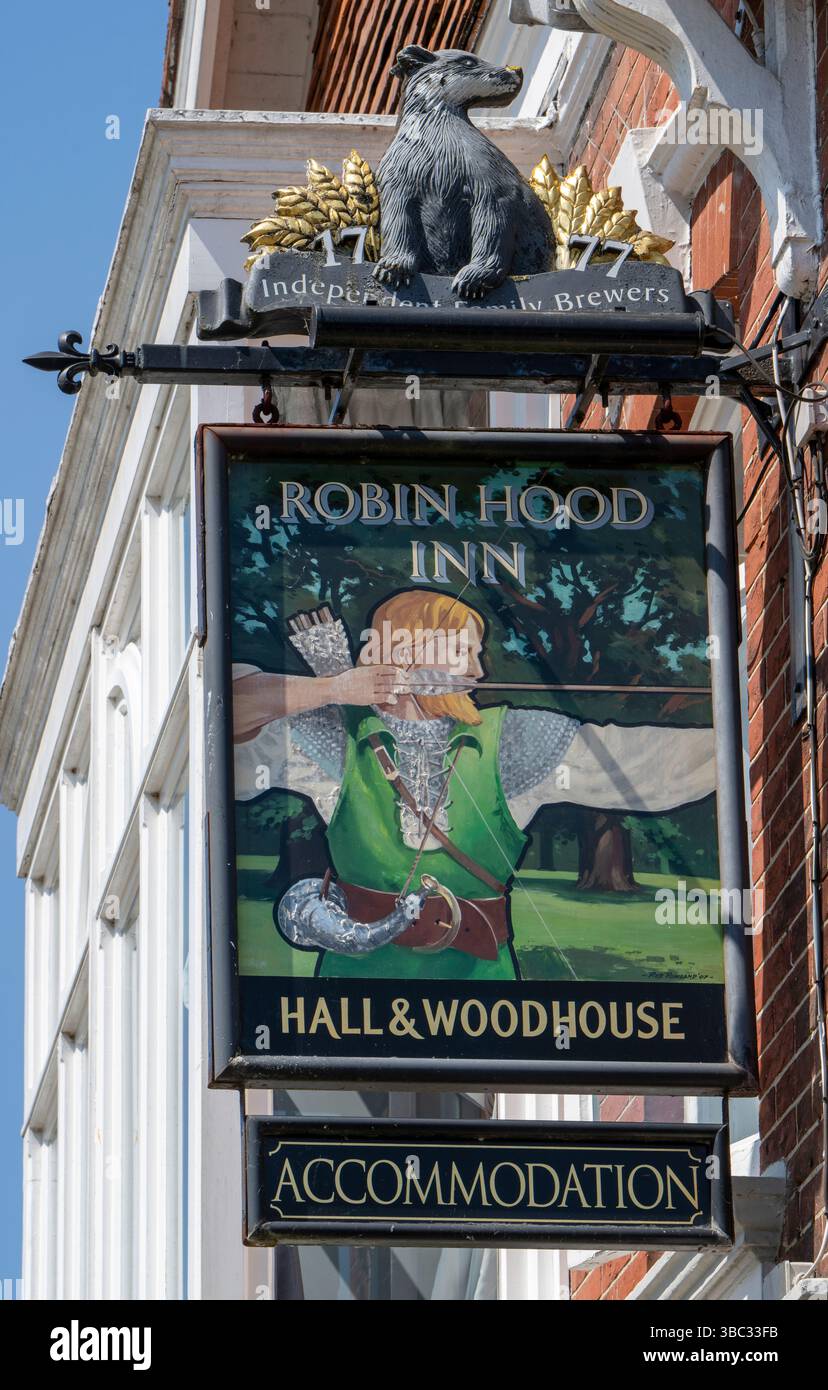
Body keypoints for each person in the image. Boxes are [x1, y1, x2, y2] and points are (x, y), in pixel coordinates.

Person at [233, 589, 715, 981]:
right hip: (358, 988)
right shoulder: (338, 737)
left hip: (482, 991)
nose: (479, 672)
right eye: (463, 653)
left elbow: (645, 765)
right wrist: (334, 689)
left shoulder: (513, 739)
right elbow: (222, 712)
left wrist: (748, 731)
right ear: (406, 653)